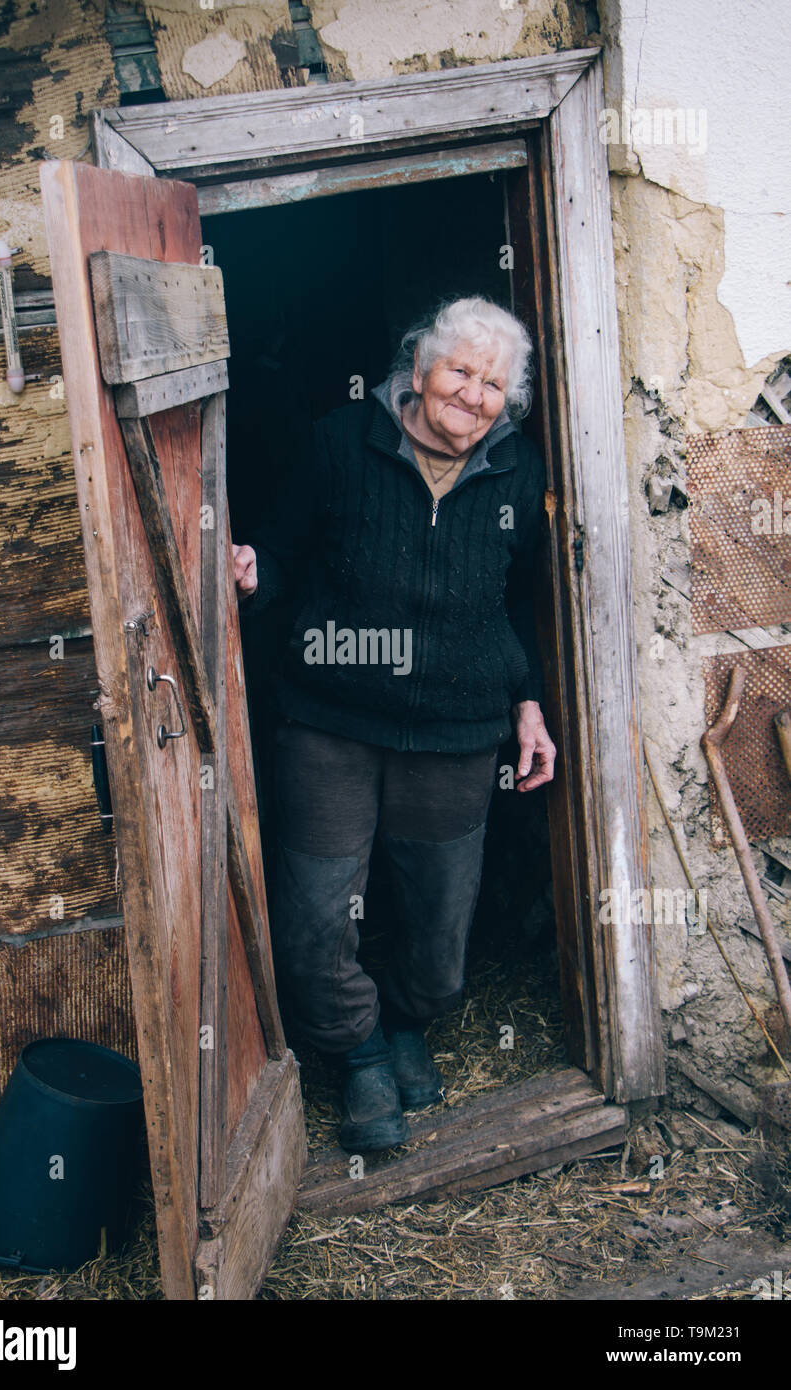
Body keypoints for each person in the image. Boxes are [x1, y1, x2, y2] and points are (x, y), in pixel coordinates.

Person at [233, 296, 556, 1152]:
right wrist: (249, 568)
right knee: (312, 917)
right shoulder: (342, 441)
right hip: (332, 719)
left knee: (441, 923)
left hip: (457, 729)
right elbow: (280, 547)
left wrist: (528, 702)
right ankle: (362, 1049)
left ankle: (411, 1017)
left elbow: (514, 600)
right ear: (418, 370)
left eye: (494, 384)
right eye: (460, 371)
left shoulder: (516, 471)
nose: (473, 395)